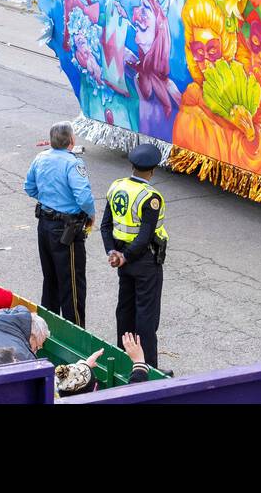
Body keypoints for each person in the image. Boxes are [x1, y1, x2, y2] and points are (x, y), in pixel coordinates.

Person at [101, 144, 168, 370]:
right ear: (153, 170)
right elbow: (145, 236)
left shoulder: (116, 186)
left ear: (132, 165)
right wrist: (125, 256)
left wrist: (113, 253)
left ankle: (123, 360)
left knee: (125, 310)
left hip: (123, 261)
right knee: (146, 317)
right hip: (144, 262)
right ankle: (148, 367)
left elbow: (105, 225)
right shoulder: (151, 197)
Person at [24, 122, 95, 327]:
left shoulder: (41, 158)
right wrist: (90, 214)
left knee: (51, 280)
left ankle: (48, 331)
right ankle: (76, 335)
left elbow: (29, 187)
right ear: (71, 141)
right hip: (66, 229)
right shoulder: (73, 163)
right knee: (72, 284)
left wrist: (48, 200)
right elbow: (83, 197)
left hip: (45, 225)